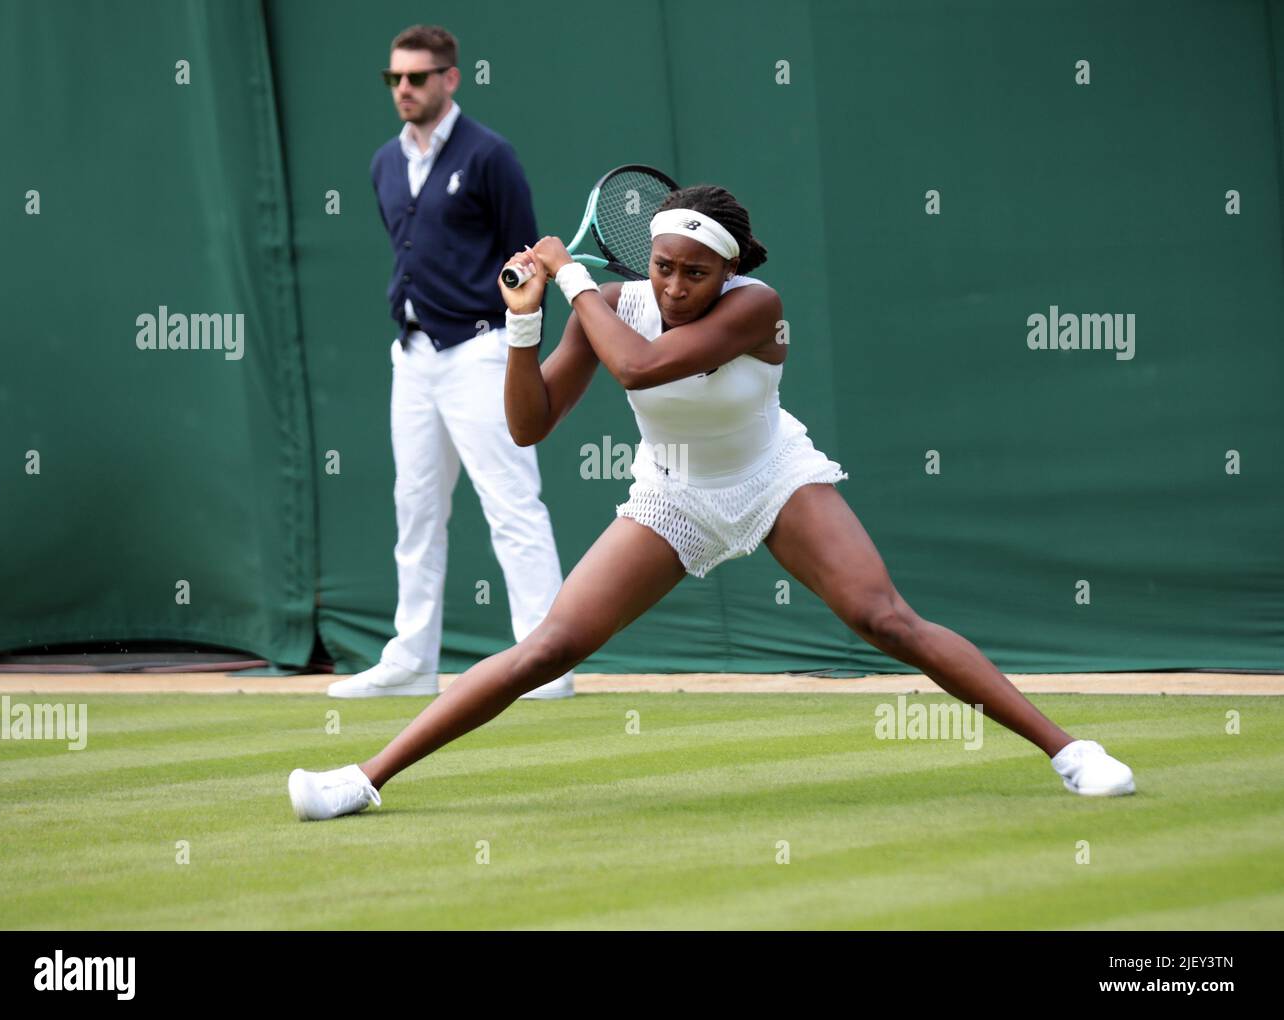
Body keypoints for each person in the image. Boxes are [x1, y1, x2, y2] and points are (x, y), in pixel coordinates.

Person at [289, 184, 1136, 819]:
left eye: (696, 273)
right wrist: (522, 325)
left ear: (728, 271)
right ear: (644, 259)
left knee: (885, 620)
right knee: (548, 648)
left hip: (774, 479)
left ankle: (1071, 752)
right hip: (673, 495)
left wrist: (575, 279)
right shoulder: (610, 306)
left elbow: (644, 369)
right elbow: (528, 426)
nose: (675, 286)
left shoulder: (756, 307)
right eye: (662, 267)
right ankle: (362, 781)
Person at [331, 24, 573, 700]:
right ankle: (412, 661)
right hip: (412, 357)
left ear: (450, 78)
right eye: (393, 79)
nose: (403, 89)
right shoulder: (385, 162)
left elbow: (524, 258)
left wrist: (515, 341)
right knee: (415, 508)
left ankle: (545, 660)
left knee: (511, 504)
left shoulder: (491, 156)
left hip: (482, 351)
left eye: (416, 77)